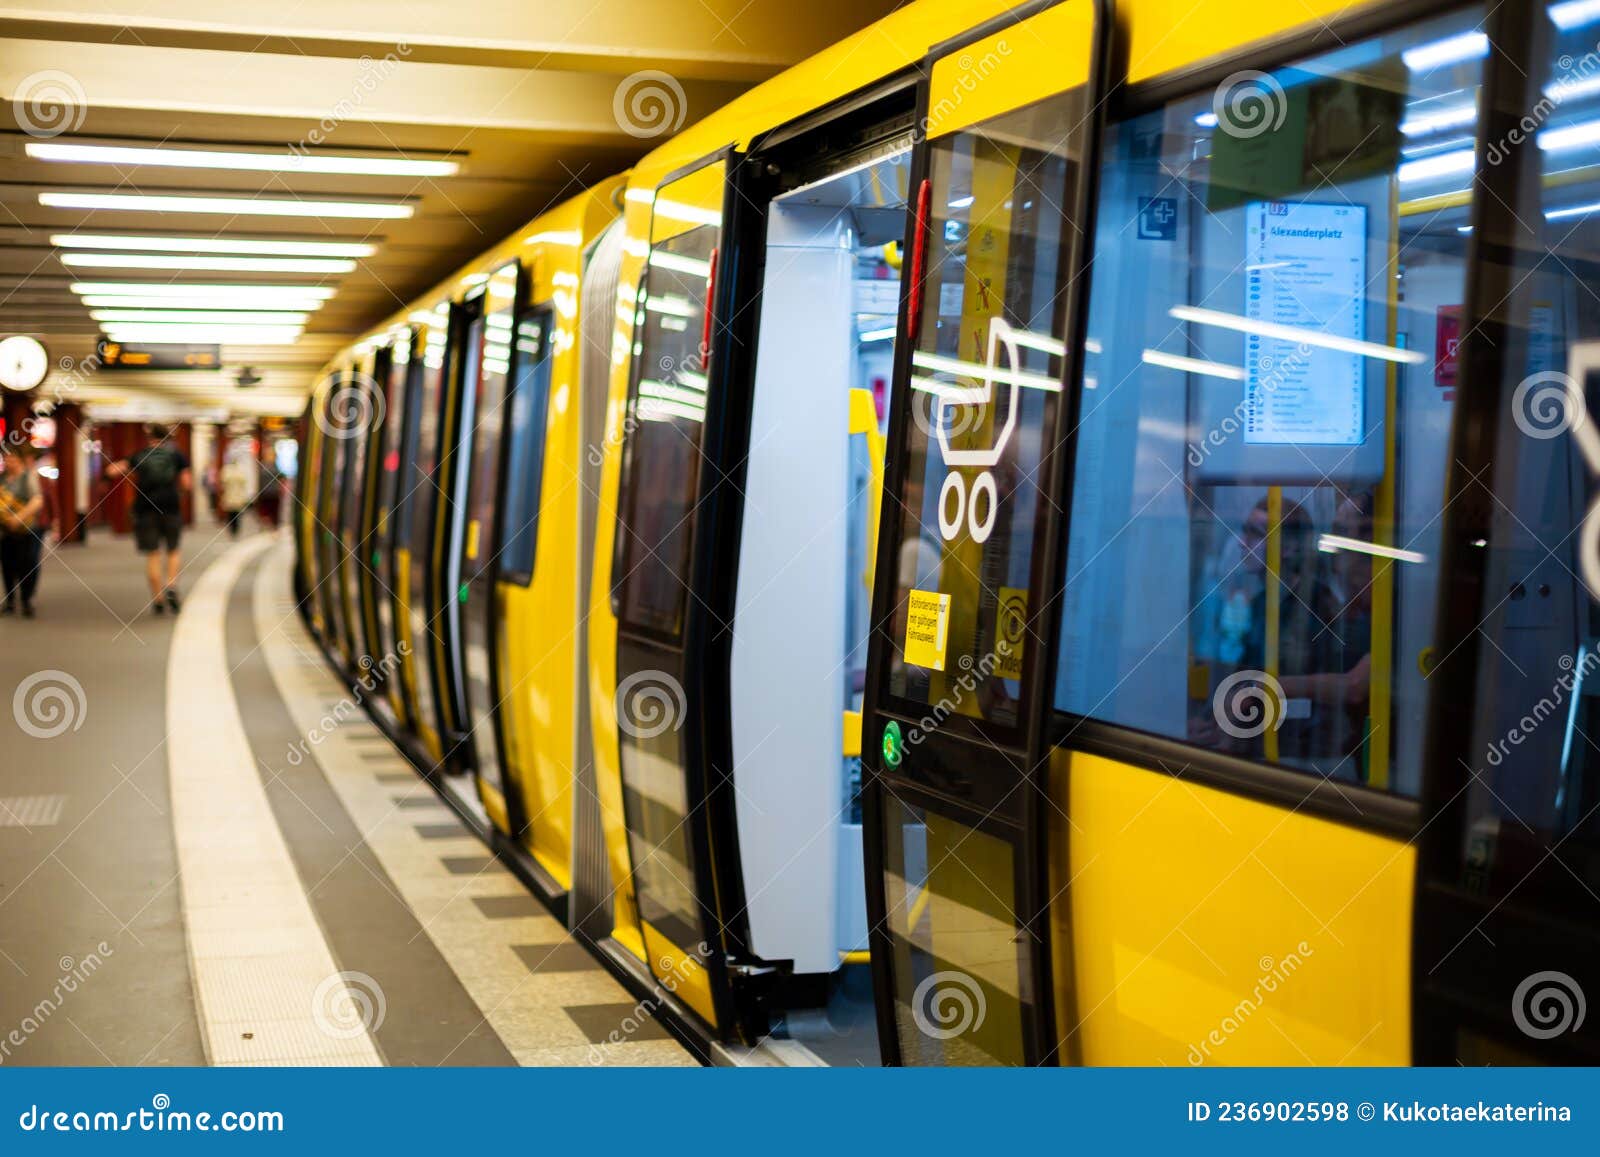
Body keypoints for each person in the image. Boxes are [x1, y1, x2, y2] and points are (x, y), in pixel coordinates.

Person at [107, 424, 192, 615]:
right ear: (168, 438)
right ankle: (171, 584)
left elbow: (112, 470)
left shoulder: (140, 455)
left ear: (149, 437)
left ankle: (158, 598)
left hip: (145, 509)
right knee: (173, 549)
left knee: (153, 554)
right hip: (170, 507)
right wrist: (179, 493)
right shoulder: (177, 456)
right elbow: (187, 483)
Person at [0, 446, 46, 618]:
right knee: (7, 565)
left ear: (20, 460)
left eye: (12, 459)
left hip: (27, 529)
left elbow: (37, 499)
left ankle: (27, 599)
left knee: (27, 564)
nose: (9, 462)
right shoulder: (2, 479)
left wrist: (18, 518)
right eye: (6, 459)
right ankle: (10, 600)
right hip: (5, 531)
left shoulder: (29, 477)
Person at [219, 455, 253, 538]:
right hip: (230, 495)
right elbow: (223, 482)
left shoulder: (238, 470)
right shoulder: (227, 470)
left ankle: (235, 529)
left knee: (236, 514)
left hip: (237, 496)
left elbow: (243, 483)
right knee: (231, 514)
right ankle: (232, 529)